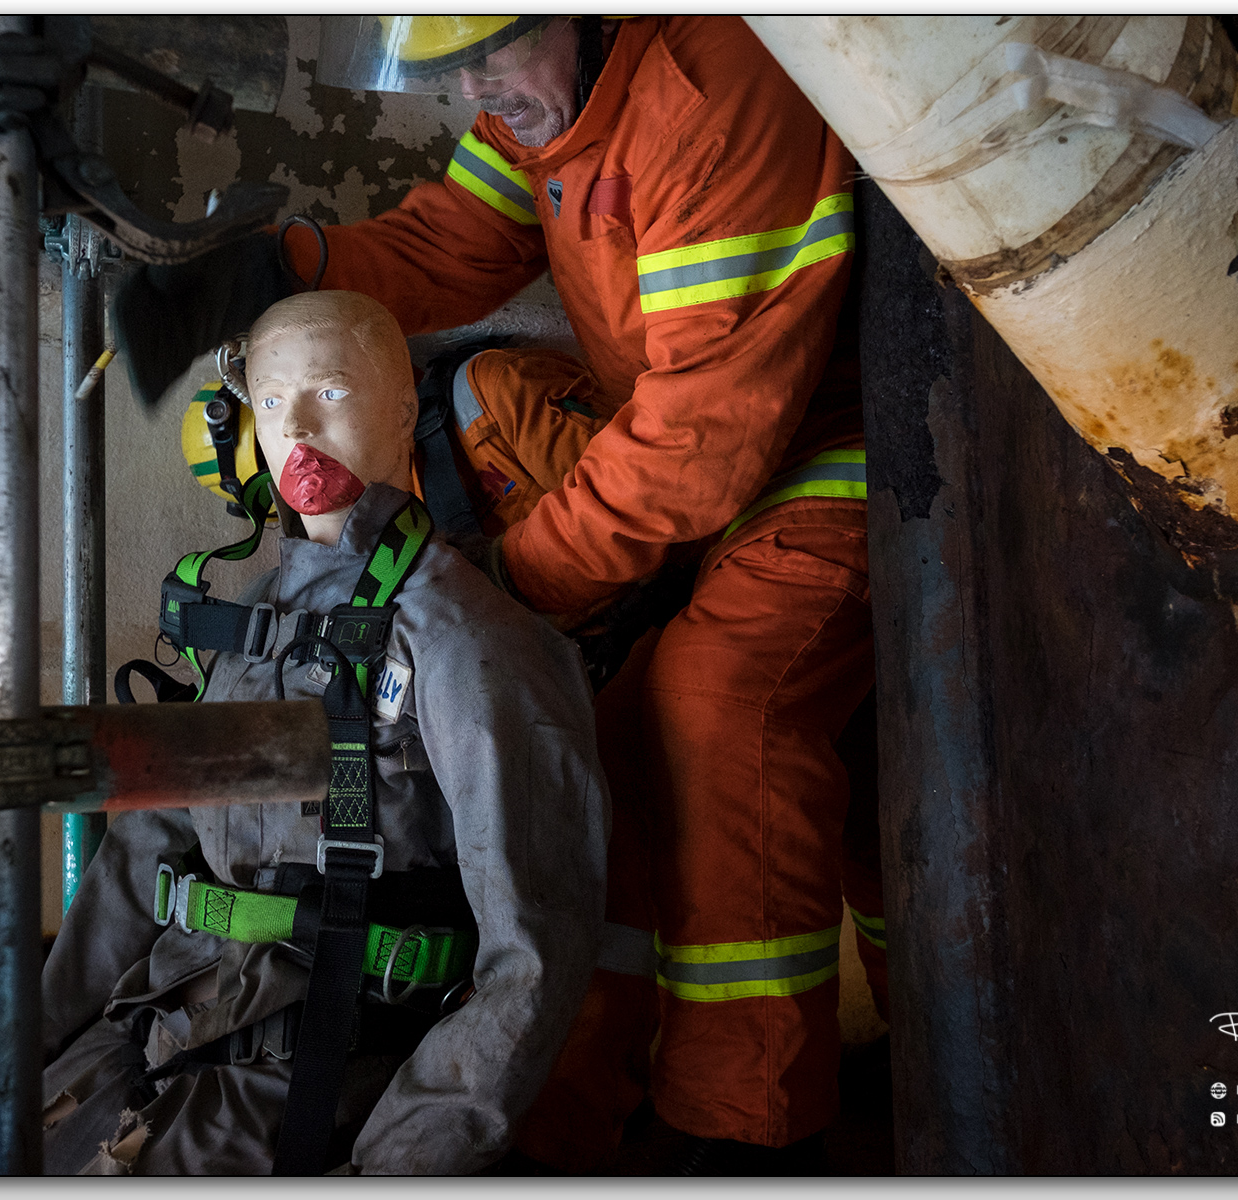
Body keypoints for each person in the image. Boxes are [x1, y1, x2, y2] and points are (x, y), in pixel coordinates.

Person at [112, 15, 888, 1174]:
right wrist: (279, 271)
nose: (476, 85)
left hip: (832, 466)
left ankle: (749, 1137)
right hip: (720, 477)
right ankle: (598, 1125)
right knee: (645, 759)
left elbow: (697, 447)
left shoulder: (713, 94)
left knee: (718, 710)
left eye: (491, 48)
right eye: (447, 65)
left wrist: (496, 601)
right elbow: (459, 241)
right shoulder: (552, 98)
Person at [39, 290, 609, 1175]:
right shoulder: (253, 630)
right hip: (161, 1030)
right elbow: (145, 848)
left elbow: (534, 954)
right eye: (271, 402)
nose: (297, 428)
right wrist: (31, 1048)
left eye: (331, 392)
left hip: (322, 1074)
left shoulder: (465, 640)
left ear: (404, 409)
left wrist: (391, 1169)